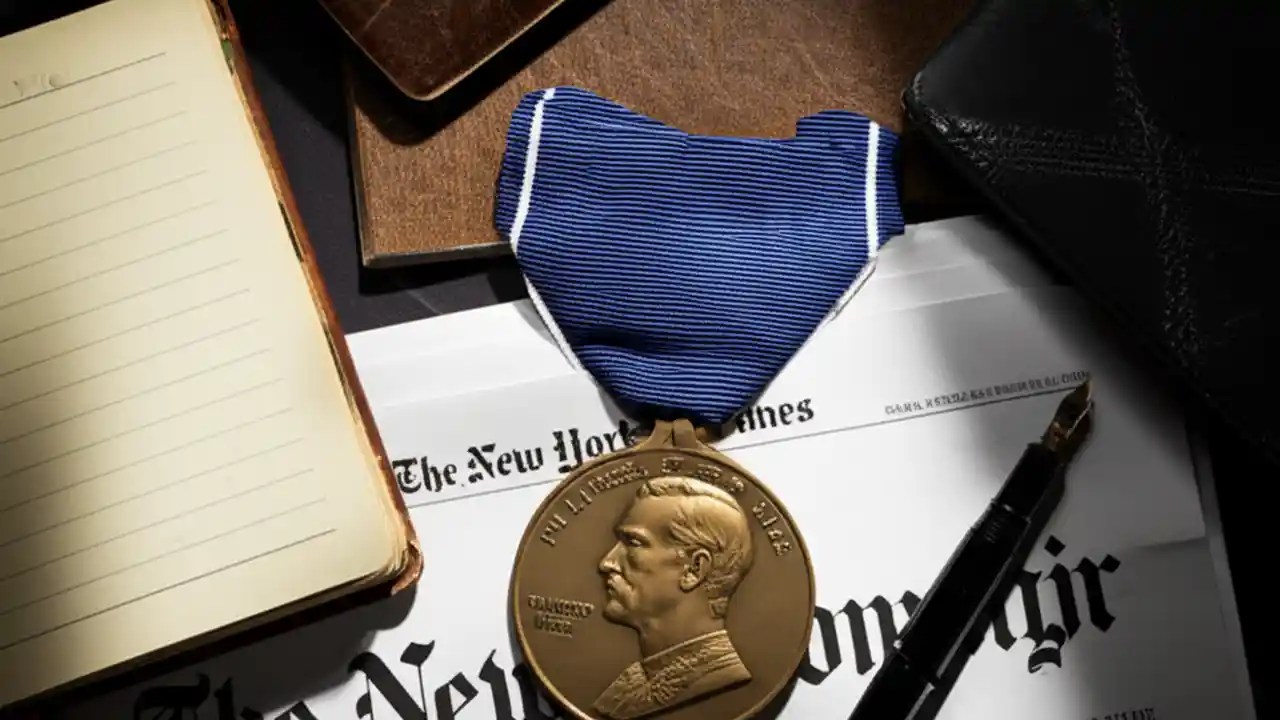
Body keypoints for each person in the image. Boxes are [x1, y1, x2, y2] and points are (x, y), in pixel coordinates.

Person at [593, 476, 755, 719]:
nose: (606, 563)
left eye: (633, 543)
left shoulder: (717, 679)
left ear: (694, 569)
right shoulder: (632, 686)